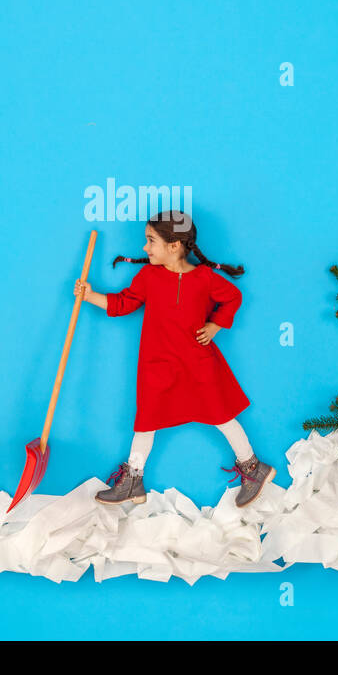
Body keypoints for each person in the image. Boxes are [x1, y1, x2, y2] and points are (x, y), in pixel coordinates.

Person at [74, 210, 275, 508]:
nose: (144, 248)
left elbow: (233, 297)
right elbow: (123, 303)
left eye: (150, 241)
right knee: (146, 422)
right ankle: (133, 480)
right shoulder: (148, 276)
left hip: (198, 365)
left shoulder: (206, 279)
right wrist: (90, 296)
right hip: (157, 367)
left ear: (174, 245)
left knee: (221, 416)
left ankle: (253, 468)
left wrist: (215, 325)